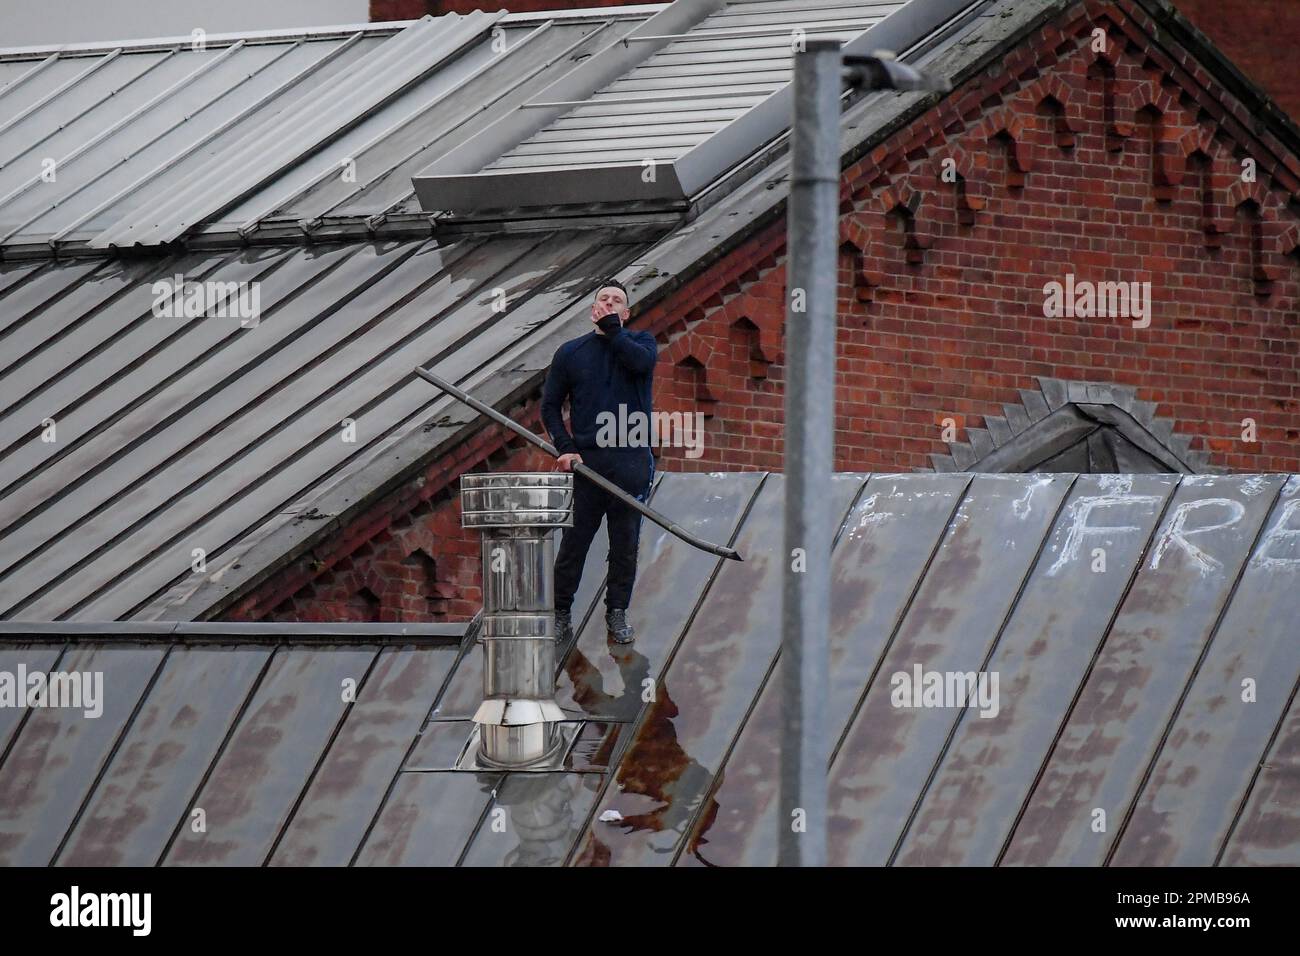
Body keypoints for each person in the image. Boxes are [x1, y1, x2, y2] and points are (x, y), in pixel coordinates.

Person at [541, 279, 656, 644]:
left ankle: (617, 612)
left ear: (626, 312)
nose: (609, 304)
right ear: (592, 309)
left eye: (617, 301)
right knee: (574, 543)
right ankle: (560, 612)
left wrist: (613, 331)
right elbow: (550, 406)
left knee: (624, 544)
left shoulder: (641, 343)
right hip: (587, 463)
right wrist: (565, 446)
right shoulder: (571, 353)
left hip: (631, 461)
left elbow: (639, 364)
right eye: (602, 299)